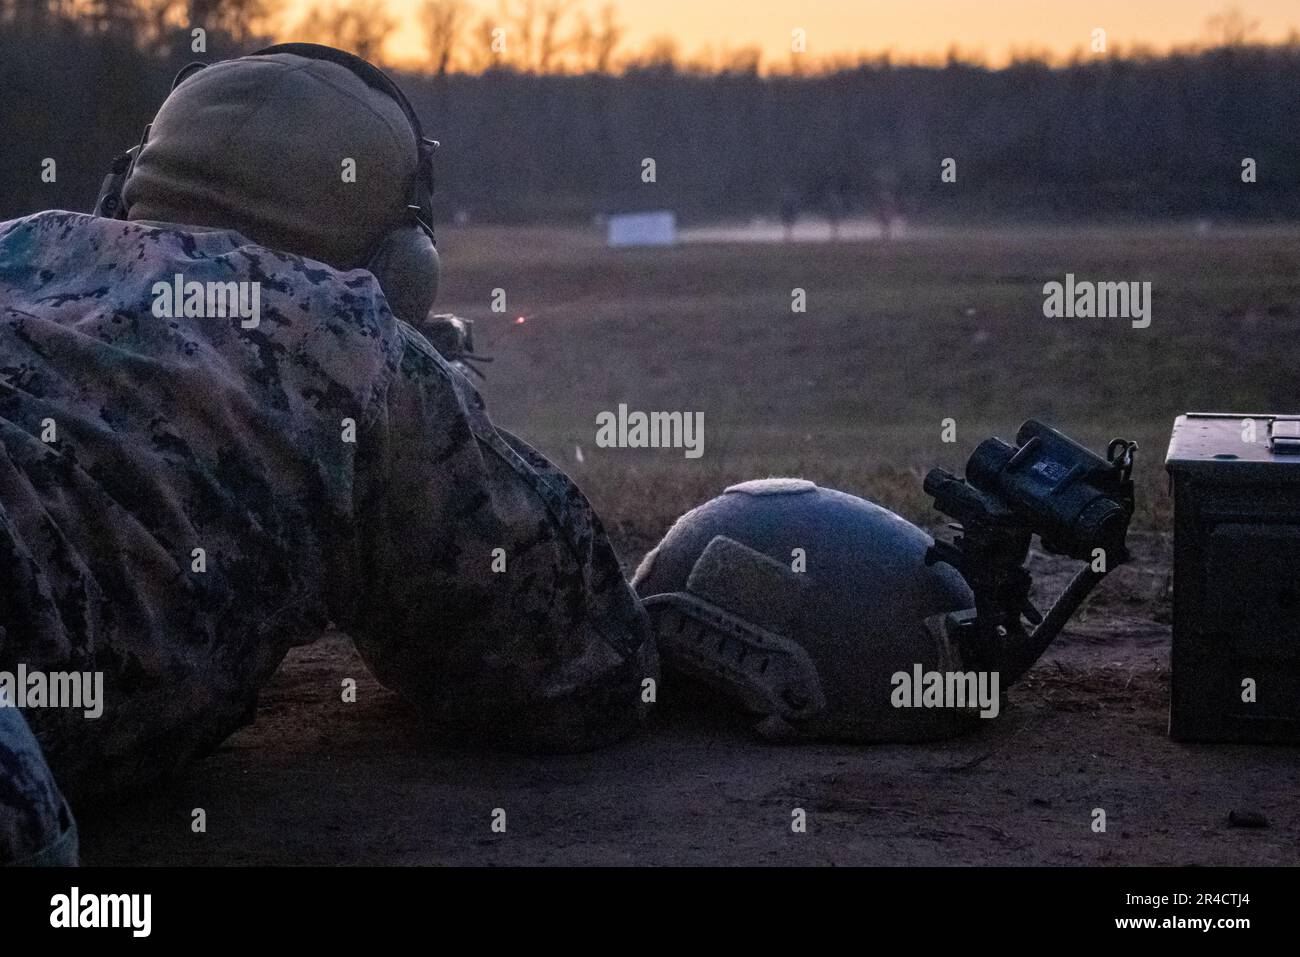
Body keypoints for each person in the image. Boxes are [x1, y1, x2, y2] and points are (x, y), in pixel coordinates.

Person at [0, 44, 654, 861]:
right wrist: (426, 418)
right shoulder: (343, 338)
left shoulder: (19, 249)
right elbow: (574, 665)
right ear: (398, 267)